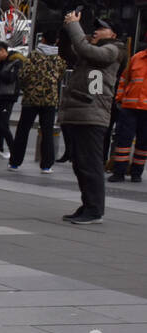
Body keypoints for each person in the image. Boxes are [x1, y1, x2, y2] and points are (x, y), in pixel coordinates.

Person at [60, 14, 126, 223]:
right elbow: (69, 52)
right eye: (95, 28)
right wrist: (66, 30)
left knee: (90, 164)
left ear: (113, 34)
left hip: (92, 114)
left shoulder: (113, 50)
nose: (96, 31)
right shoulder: (93, 51)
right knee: (80, 164)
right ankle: (88, 204)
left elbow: (85, 49)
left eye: (102, 28)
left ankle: (95, 210)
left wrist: (75, 26)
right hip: (81, 112)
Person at [9, 31, 64, 173]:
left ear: (43, 39)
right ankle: (46, 165)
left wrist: (27, 88)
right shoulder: (58, 59)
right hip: (50, 100)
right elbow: (60, 77)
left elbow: (23, 75)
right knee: (47, 132)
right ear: (56, 41)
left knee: (23, 130)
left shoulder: (33, 56)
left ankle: (15, 162)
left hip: (31, 99)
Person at [110, 36, 147, 183]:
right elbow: (124, 80)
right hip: (129, 108)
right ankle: (119, 172)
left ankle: (136, 173)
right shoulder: (136, 58)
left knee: (143, 144)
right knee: (123, 140)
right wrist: (119, 98)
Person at [0, 42, 24, 157]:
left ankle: (13, 150)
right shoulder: (1, 63)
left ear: (2, 50)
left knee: (3, 124)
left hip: (8, 96)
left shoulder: (16, 62)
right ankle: (0, 148)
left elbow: (10, 78)